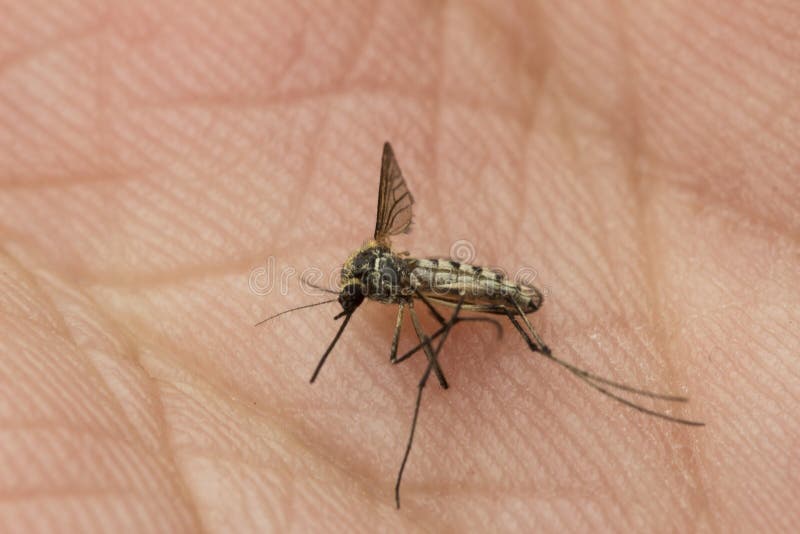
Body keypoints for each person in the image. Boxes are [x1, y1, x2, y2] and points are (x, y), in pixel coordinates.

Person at [1, 2, 798, 532]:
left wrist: (432, 350)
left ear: (369, 277)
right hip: (448, 286)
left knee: (444, 355)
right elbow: (401, 303)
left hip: (485, 292)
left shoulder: (400, 284)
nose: (350, 299)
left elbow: (422, 328)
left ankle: (610, 387)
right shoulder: (386, 269)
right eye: (353, 294)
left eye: (351, 294)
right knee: (422, 342)